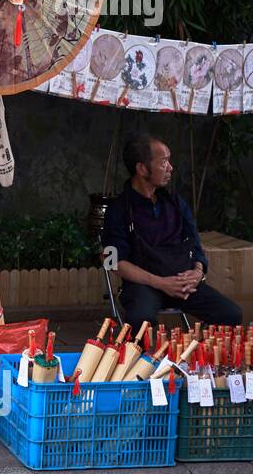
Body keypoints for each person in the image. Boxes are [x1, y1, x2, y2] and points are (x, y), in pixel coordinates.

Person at [101, 133, 241, 334]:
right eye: (164, 162)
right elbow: (113, 261)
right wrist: (160, 282)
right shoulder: (119, 209)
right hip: (145, 286)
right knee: (141, 320)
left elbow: (194, 243)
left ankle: (202, 361)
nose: (170, 168)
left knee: (230, 314)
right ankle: (145, 364)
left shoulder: (174, 203)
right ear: (141, 168)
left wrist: (198, 272)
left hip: (181, 283)